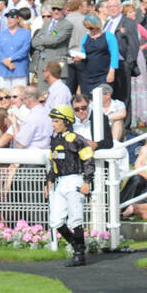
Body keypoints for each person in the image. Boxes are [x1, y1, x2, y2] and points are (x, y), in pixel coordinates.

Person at [46, 103, 92, 267]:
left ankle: (79, 254)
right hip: (60, 183)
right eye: (53, 121)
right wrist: (49, 180)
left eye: (57, 121)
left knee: (75, 219)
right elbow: (54, 163)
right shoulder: (54, 140)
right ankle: (77, 246)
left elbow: (88, 160)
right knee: (55, 221)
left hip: (75, 181)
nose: (54, 124)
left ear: (66, 121)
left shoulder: (77, 139)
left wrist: (87, 181)